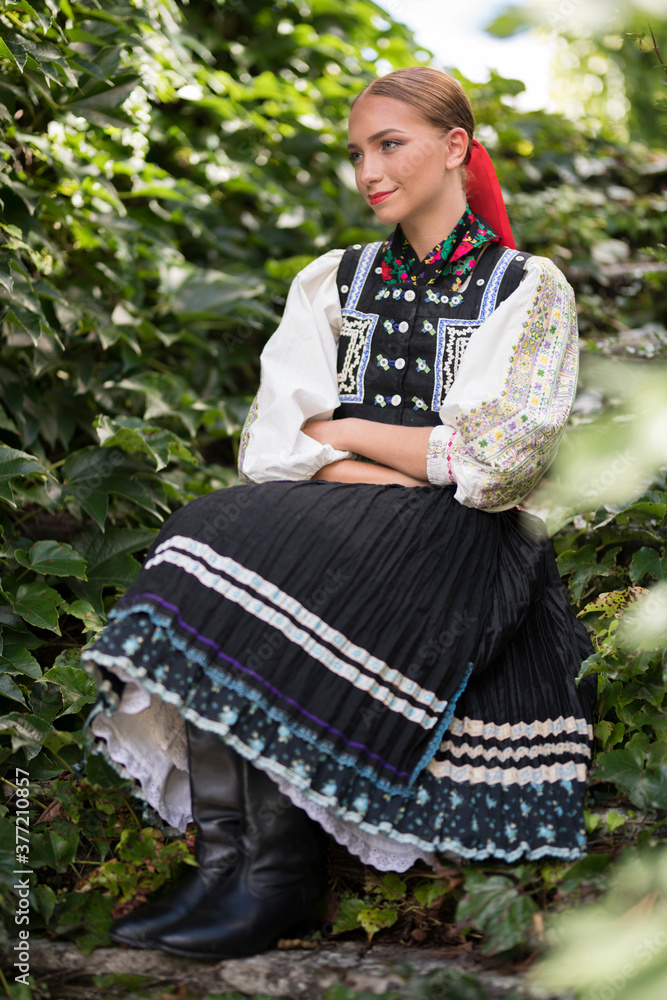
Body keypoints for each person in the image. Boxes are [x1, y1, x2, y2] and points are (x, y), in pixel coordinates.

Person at [82, 66, 596, 961]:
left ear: (454, 149)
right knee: (208, 527)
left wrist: (345, 430)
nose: (368, 171)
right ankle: (229, 863)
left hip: (463, 540)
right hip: (351, 508)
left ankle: (278, 880)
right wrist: (387, 463)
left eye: (389, 145)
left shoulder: (525, 288)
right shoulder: (333, 280)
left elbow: (496, 464)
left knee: (224, 537)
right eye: (357, 152)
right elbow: (275, 443)